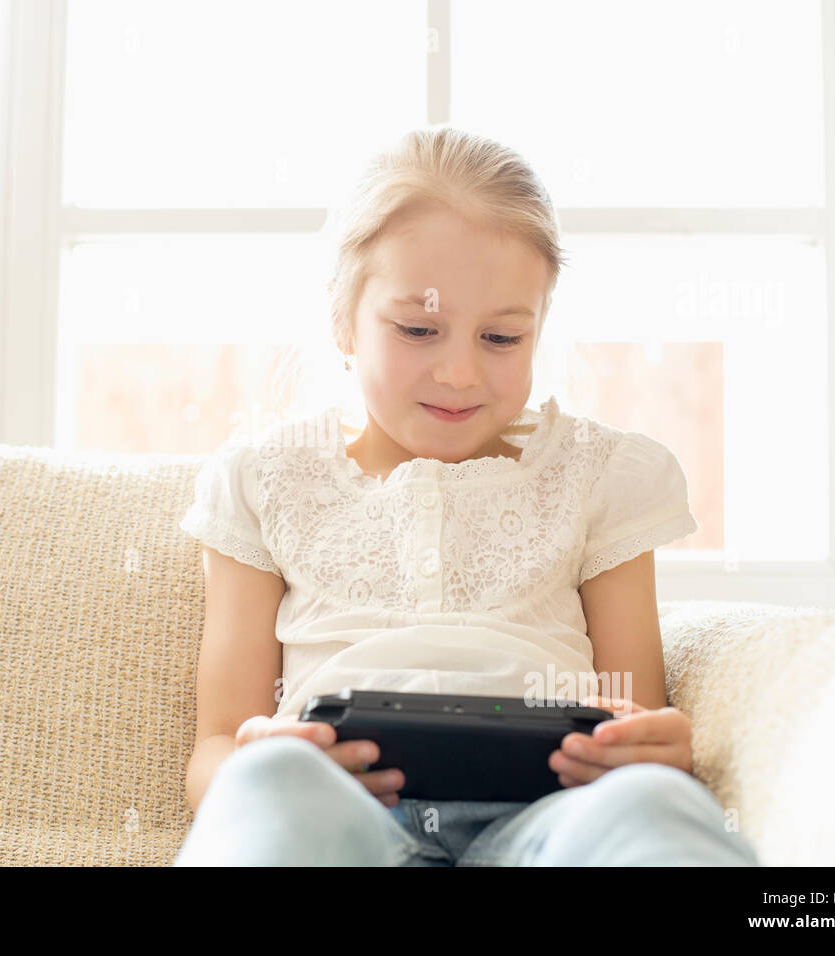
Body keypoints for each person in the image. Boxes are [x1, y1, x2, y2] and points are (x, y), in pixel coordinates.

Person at [172, 125, 760, 867]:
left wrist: (647, 751)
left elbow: (626, 710)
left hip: (551, 819)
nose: (459, 374)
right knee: (271, 785)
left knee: (654, 806)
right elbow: (214, 751)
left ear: (541, 325)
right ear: (340, 317)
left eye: (502, 338)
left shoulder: (599, 475)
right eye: (419, 329)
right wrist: (258, 756)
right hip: (342, 818)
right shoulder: (264, 480)